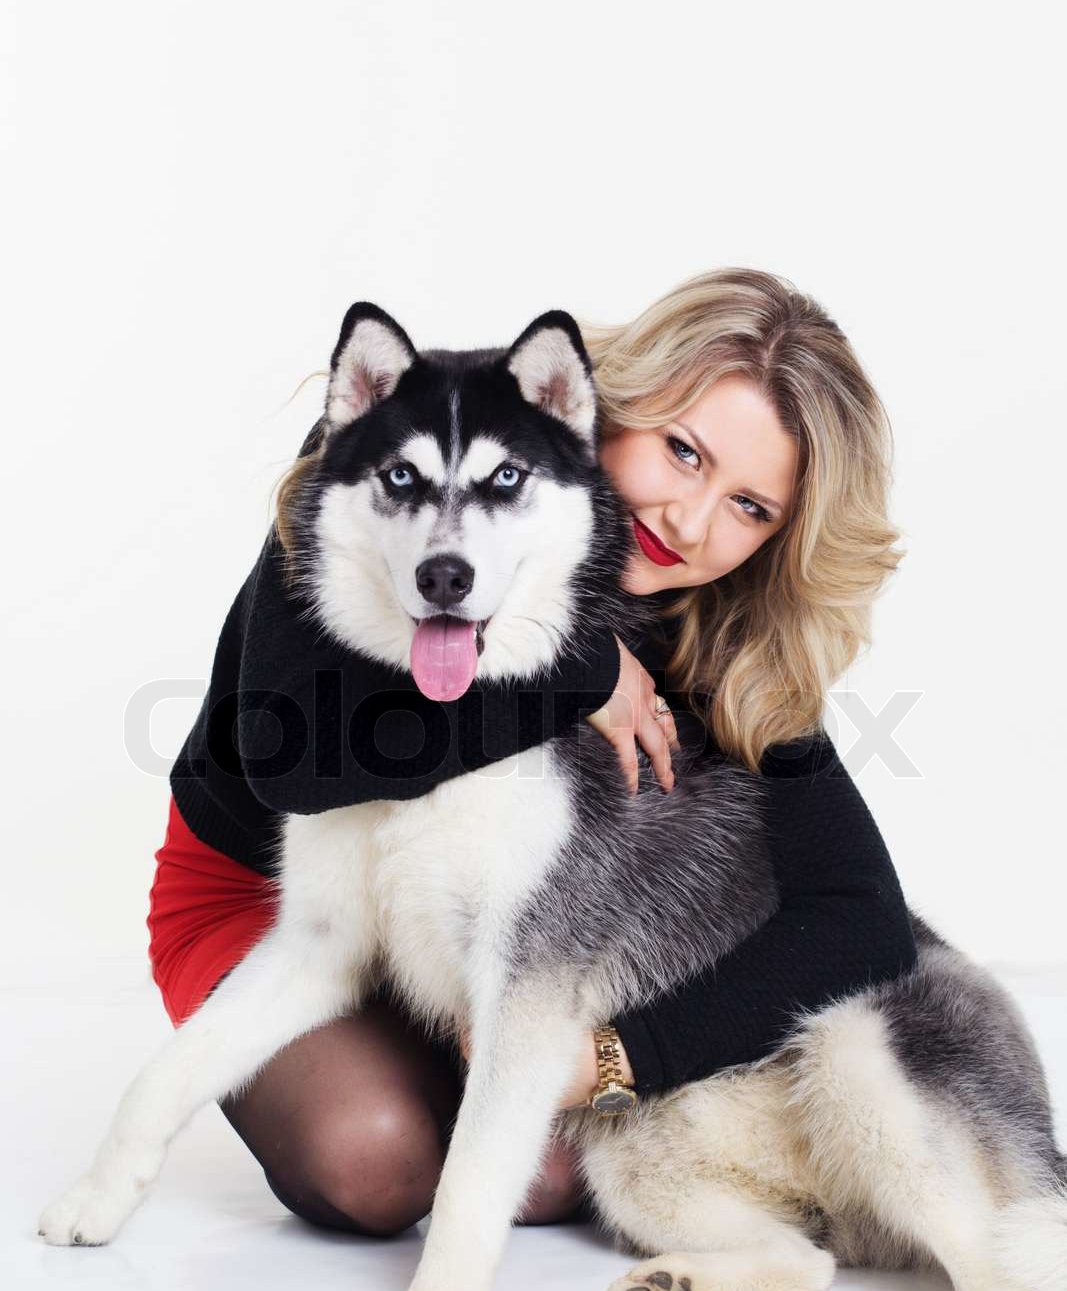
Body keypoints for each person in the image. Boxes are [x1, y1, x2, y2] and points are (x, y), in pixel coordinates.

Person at [147, 266, 917, 1237]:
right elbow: (291, 759)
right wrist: (583, 673)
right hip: (272, 903)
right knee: (375, 1157)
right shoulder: (409, 442)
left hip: (467, 941)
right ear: (605, 406)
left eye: (748, 508)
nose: (689, 519)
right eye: (681, 452)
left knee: (556, 1175)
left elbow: (857, 917)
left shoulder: (712, 627)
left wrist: (614, 1054)